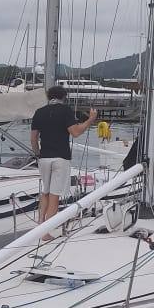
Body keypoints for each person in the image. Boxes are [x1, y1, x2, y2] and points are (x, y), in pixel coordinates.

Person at [30, 85, 97, 235]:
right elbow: (75, 132)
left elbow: (33, 138)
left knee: (45, 193)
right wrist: (90, 119)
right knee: (55, 195)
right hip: (60, 157)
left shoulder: (39, 112)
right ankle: (45, 233)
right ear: (63, 97)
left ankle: (40, 225)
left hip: (44, 158)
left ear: (49, 97)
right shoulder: (66, 110)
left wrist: (38, 154)